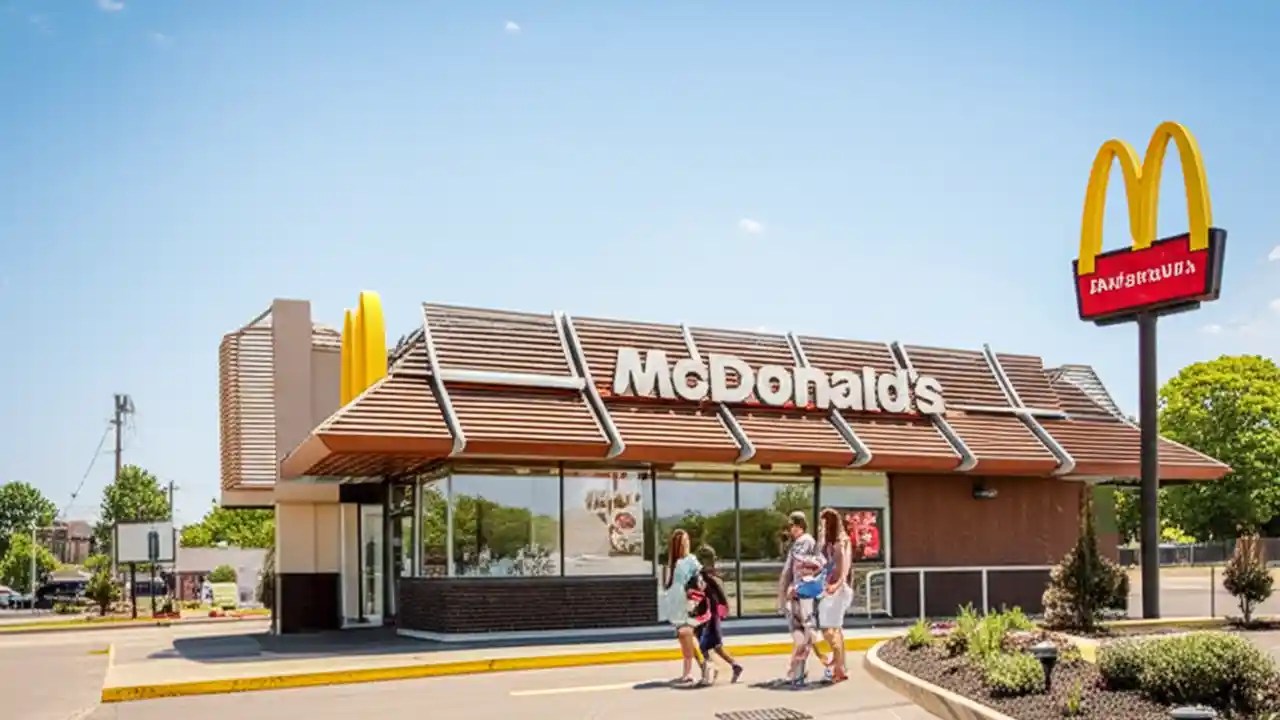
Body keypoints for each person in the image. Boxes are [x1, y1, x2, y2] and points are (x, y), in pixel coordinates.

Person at [777, 511, 830, 686]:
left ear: (800, 525)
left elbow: (798, 568)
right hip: (800, 593)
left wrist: (788, 590)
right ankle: (799, 670)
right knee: (804, 632)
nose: (791, 529)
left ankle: (802, 669)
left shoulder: (804, 541)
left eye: (793, 525)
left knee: (804, 632)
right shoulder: (803, 542)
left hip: (801, 593)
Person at [687, 545, 742, 685]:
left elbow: (714, 597)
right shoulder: (710, 576)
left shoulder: (705, 577)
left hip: (707, 617)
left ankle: (709, 674)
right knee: (716, 646)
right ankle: (734, 665)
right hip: (709, 615)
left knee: (705, 646)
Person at [817, 507, 854, 683]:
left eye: (823, 523)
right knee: (836, 628)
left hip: (838, 589)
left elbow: (844, 566)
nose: (821, 527)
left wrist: (837, 584)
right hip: (831, 588)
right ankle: (840, 666)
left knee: (828, 628)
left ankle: (838, 667)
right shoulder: (829, 542)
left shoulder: (841, 542)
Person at [662, 529, 701, 685]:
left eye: (687, 541)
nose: (687, 544)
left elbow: (699, 578)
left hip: (687, 602)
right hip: (677, 602)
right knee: (683, 638)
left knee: (687, 636)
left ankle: (691, 671)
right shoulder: (675, 562)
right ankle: (690, 670)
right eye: (684, 542)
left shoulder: (691, 560)